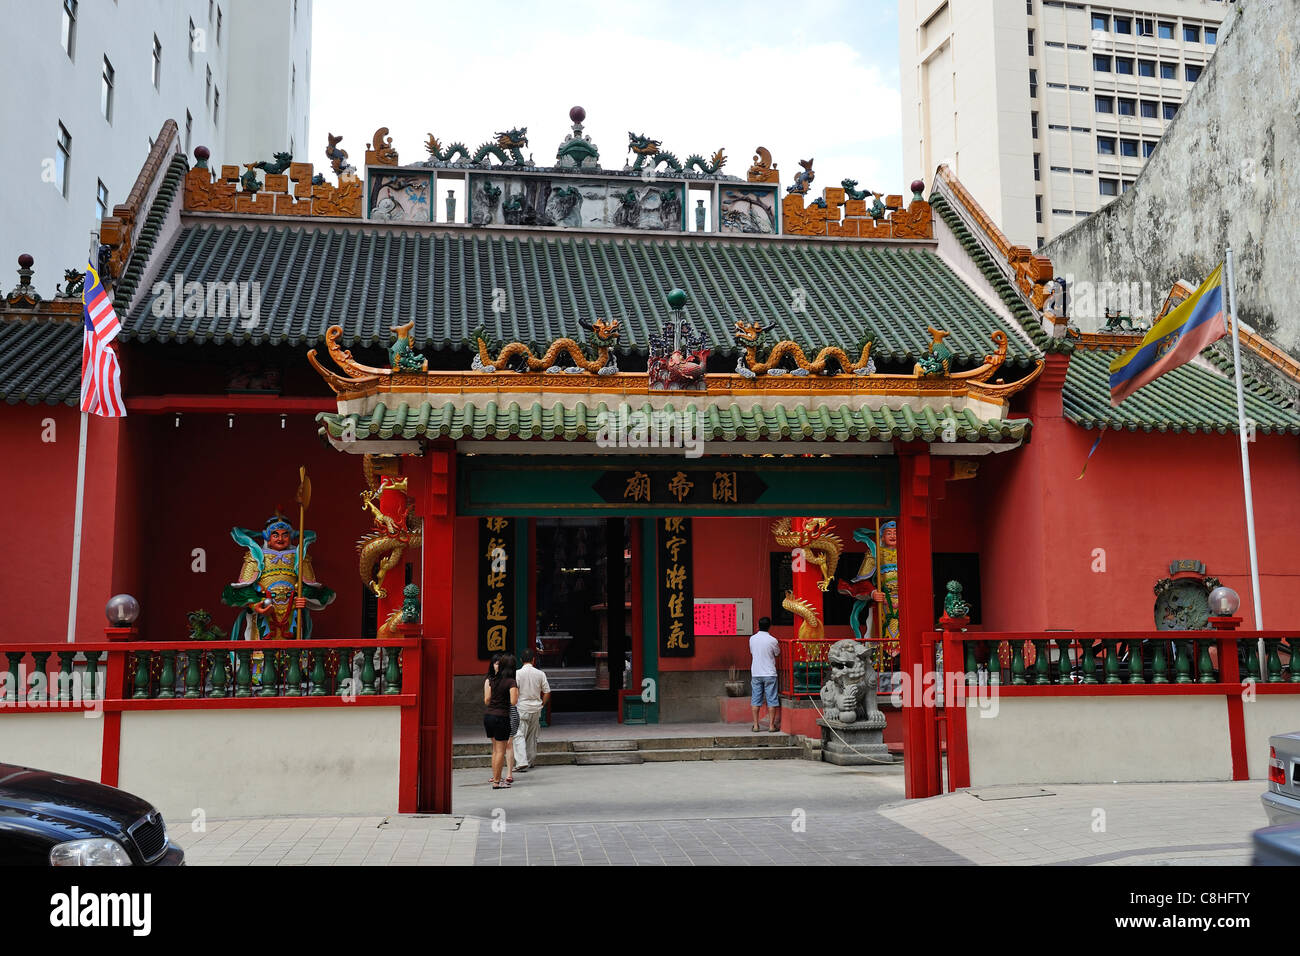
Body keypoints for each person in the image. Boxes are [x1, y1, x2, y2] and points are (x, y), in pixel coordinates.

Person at [483, 654, 518, 788]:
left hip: (488, 716)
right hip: (501, 717)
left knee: (495, 750)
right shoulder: (511, 682)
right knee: (500, 751)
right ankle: (497, 782)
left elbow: (487, 699)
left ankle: (496, 778)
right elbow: (513, 702)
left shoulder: (492, 679)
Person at [513, 650, 551, 771]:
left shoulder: (517, 674)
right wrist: (542, 704)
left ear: (521, 660)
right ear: (533, 660)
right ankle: (530, 761)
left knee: (518, 735)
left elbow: (514, 692)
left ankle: (521, 762)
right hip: (536, 708)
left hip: (522, 707)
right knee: (532, 736)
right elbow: (547, 692)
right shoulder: (540, 674)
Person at [749, 616, 781, 733]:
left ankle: (756, 725)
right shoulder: (773, 640)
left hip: (756, 672)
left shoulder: (752, 639)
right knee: (771, 699)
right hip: (769, 673)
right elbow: (777, 653)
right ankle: (771, 726)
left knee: (756, 699)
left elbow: (752, 651)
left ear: (758, 625)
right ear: (769, 626)